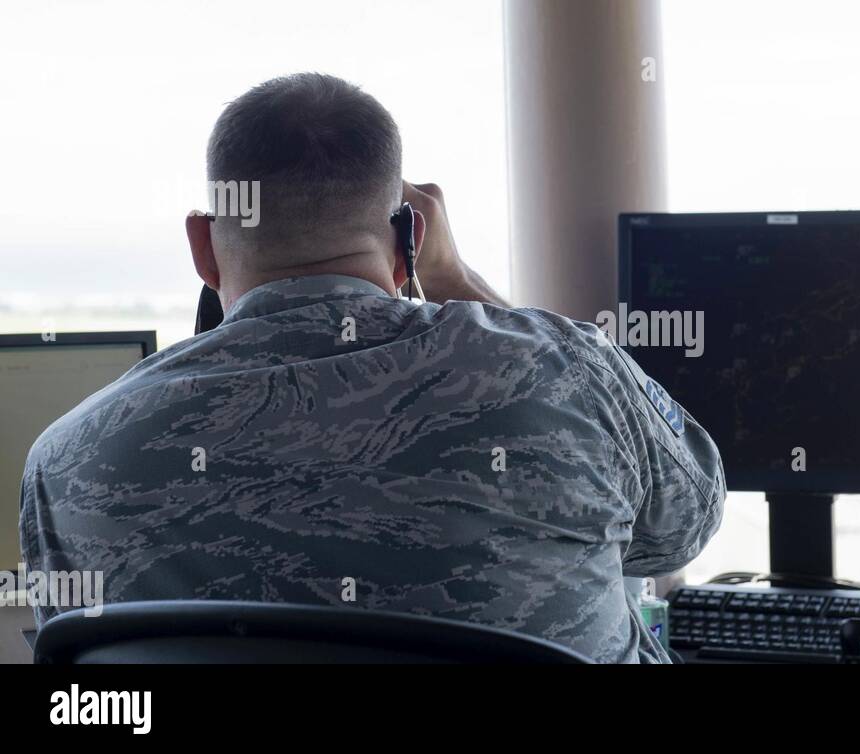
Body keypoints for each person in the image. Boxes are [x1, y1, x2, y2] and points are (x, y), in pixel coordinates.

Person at [19, 73, 724, 663]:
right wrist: (452, 277)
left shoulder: (65, 459)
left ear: (204, 247)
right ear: (410, 238)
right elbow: (680, 532)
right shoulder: (571, 371)